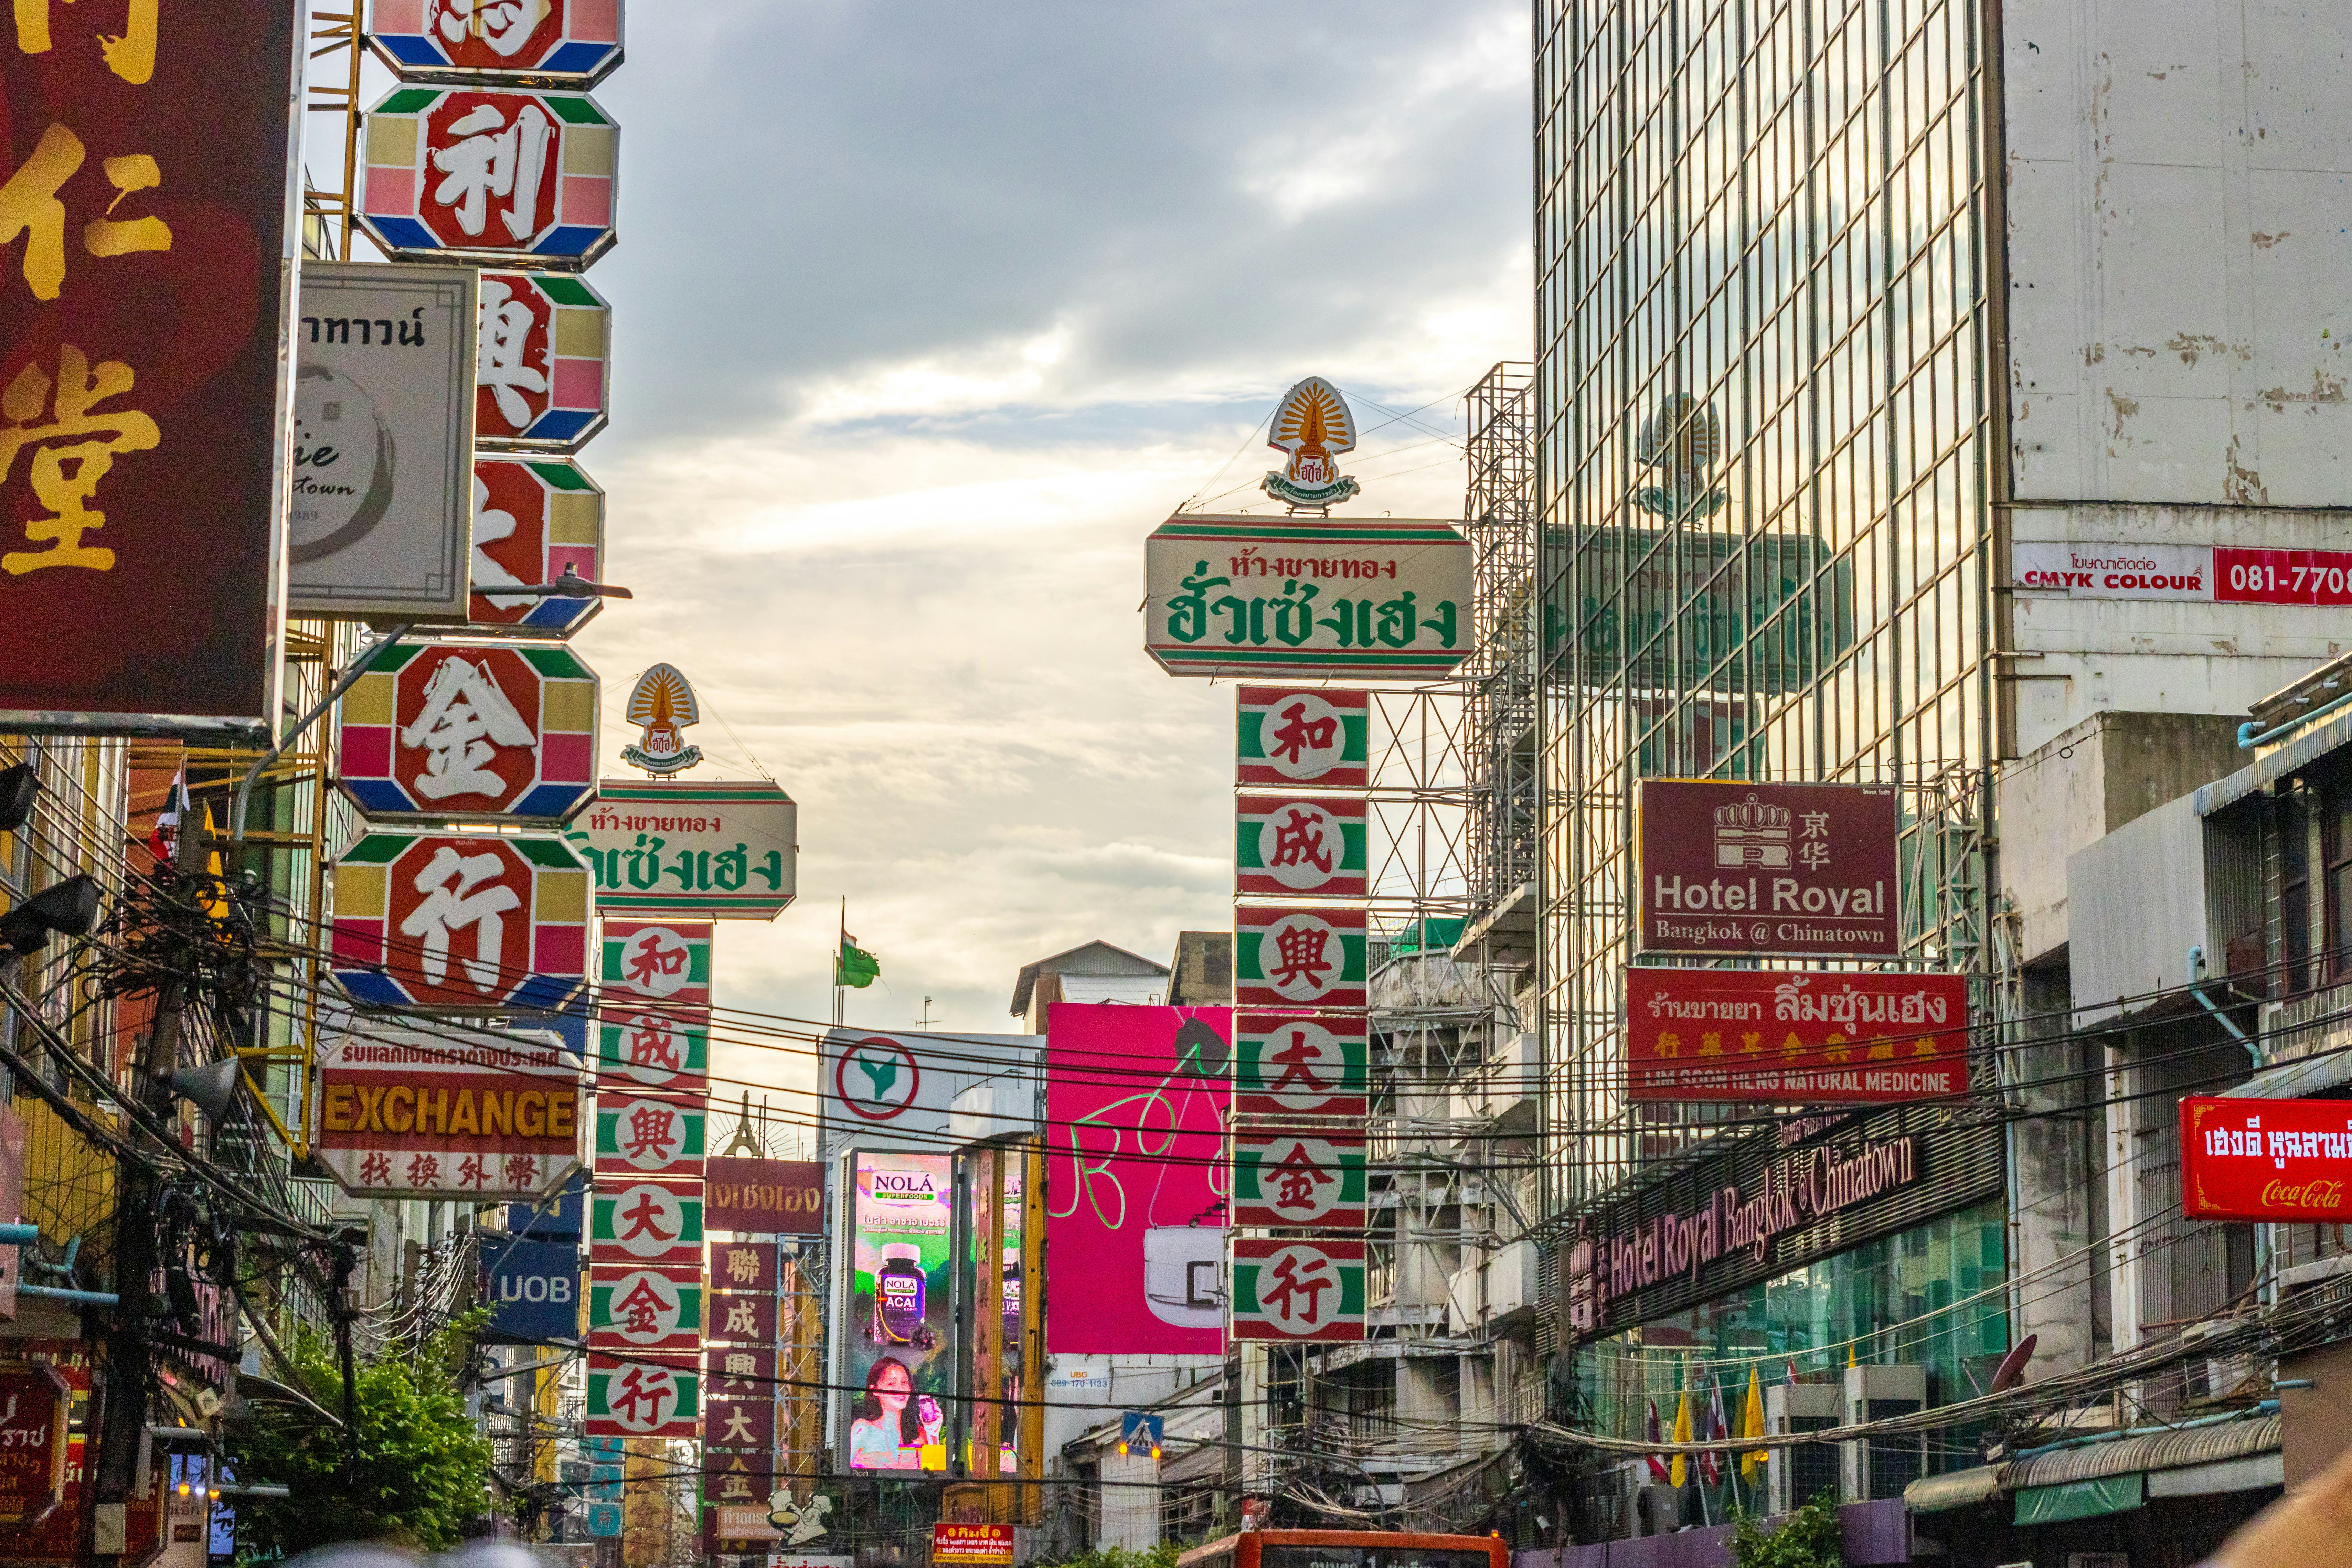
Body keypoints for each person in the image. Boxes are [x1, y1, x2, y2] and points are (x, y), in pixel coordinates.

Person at [847, 1357, 941, 1469]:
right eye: (892, 1384)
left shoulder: (920, 1434)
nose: (901, 1389)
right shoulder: (862, 1429)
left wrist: (933, 1434)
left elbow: (935, 1472)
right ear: (874, 1390)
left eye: (905, 1382)